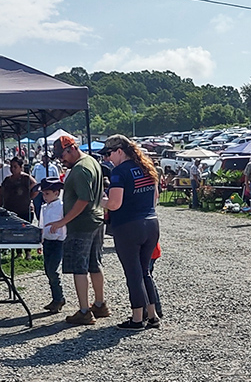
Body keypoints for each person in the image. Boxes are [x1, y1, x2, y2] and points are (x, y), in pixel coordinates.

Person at [48, 135, 109, 326]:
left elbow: (84, 199)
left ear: (71, 148)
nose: (61, 160)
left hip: (81, 225)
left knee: (79, 268)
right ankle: (100, 304)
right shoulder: (91, 162)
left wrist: (63, 221)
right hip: (96, 220)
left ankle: (84, 311)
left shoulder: (81, 169)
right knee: (94, 263)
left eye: (62, 156)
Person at [100, 134, 160, 330]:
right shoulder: (146, 167)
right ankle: (152, 316)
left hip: (128, 226)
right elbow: (156, 198)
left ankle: (136, 318)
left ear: (119, 151)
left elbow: (115, 204)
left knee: (133, 273)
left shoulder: (119, 172)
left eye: (109, 153)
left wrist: (99, 200)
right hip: (151, 223)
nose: (107, 158)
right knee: (145, 272)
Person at [37, 177, 67, 314]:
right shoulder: (44, 208)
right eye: (43, 194)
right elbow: (42, 225)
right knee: (48, 270)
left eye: (47, 194)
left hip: (58, 241)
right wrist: (40, 240)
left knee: (52, 270)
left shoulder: (62, 206)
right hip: (48, 241)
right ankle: (56, 298)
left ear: (56, 192)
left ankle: (59, 298)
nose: (44, 196)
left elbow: (65, 223)